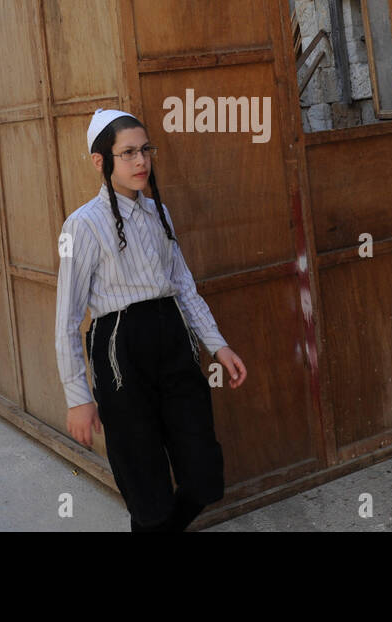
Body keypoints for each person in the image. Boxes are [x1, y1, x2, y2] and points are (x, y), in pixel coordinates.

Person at [55, 108, 248, 532]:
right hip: (120, 353)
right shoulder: (81, 226)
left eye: (145, 150)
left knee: (203, 477)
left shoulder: (160, 213)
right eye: (127, 153)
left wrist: (218, 345)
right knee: (146, 487)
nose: (140, 161)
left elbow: (184, 286)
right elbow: (67, 320)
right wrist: (79, 397)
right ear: (100, 161)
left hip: (174, 343)